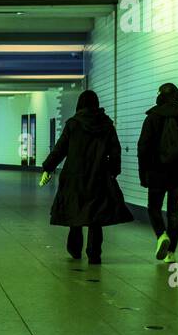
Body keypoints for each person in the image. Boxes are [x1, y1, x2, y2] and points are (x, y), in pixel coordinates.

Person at [39, 90, 133, 264]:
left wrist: (47, 168)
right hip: (99, 175)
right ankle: (94, 253)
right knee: (95, 216)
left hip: (74, 176)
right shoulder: (107, 125)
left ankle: (75, 249)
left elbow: (60, 149)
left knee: (76, 210)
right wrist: (113, 171)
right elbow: (115, 151)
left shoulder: (73, 124)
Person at [137, 82, 178, 262]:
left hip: (157, 172)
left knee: (154, 208)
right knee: (174, 212)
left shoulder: (152, 118)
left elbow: (143, 147)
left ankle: (161, 236)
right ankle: (171, 253)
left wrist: (143, 172)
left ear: (160, 96)